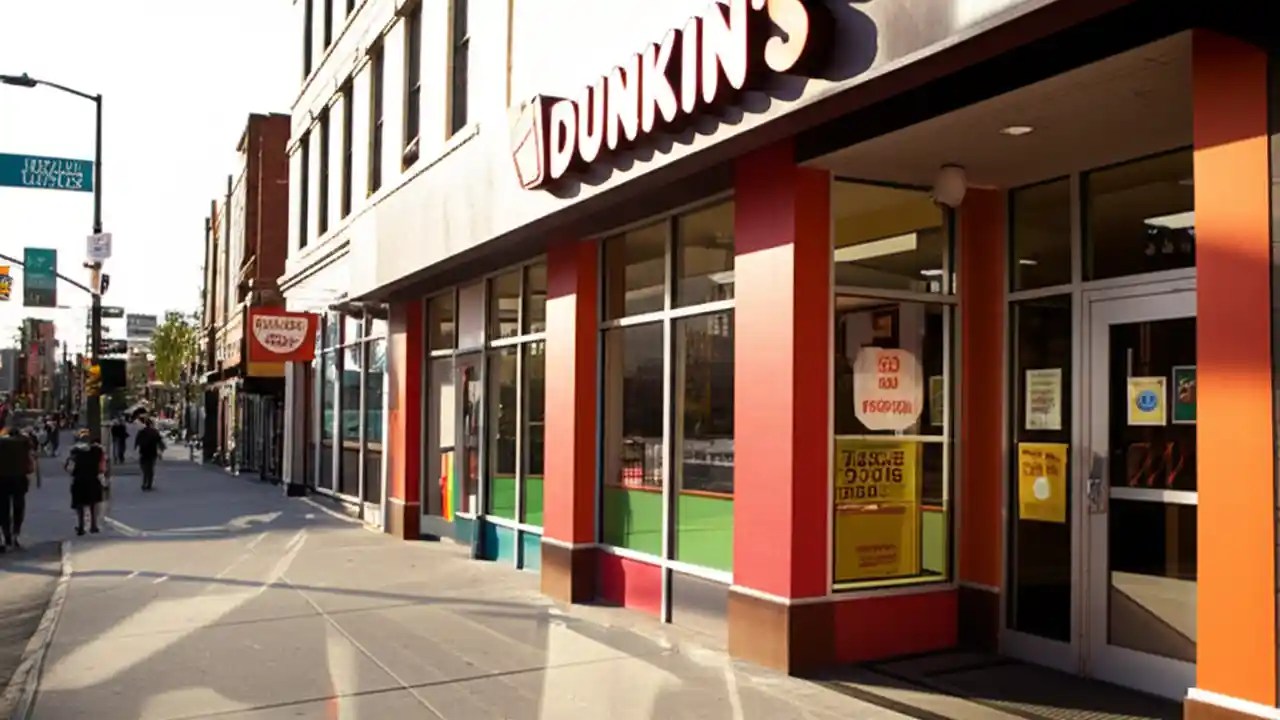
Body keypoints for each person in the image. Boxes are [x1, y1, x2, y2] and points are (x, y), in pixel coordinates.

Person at [65, 429, 106, 536]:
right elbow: (102, 467)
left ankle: (81, 526)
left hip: (79, 481)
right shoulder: (98, 450)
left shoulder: (74, 451)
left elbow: (69, 467)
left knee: (79, 505)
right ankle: (93, 525)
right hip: (93, 479)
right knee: (93, 503)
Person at [0, 426, 34, 552]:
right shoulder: (24, 442)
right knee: (18, 507)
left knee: (3, 509)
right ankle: (16, 534)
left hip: (2, 479)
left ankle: (6, 536)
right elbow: (31, 459)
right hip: (19, 479)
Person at [135, 418, 166, 491]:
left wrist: (136, 448)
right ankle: (149, 483)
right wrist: (161, 451)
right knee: (150, 468)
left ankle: (144, 482)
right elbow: (160, 441)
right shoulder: (154, 432)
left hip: (143, 452)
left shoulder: (141, 432)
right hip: (152, 452)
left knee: (144, 468)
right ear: (151, 424)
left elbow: (137, 441)